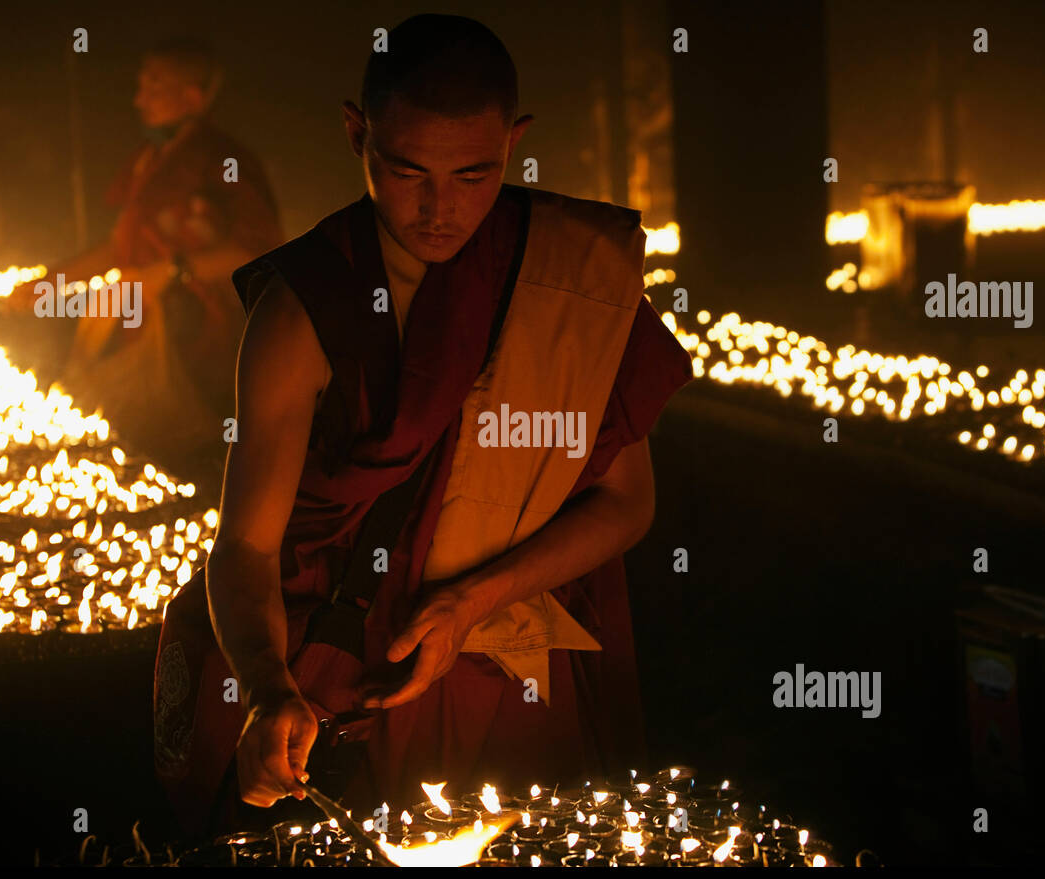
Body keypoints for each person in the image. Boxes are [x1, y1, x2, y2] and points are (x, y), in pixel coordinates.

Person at [152, 13, 693, 837]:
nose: (440, 210)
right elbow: (249, 546)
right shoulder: (305, 308)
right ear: (355, 133)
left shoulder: (569, 281)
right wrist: (268, 691)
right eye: (406, 172)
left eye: (474, 174)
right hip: (340, 656)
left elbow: (628, 503)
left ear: (515, 142)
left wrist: (470, 602)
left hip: (508, 647)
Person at [11, 38, 283, 468]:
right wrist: (52, 280)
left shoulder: (224, 160)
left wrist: (172, 271)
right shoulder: (150, 161)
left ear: (191, 96)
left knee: (206, 458)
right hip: (143, 333)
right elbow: (121, 246)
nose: (139, 100)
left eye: (153, 87)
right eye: (140, 86)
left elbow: (259, 250)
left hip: (208, 343)